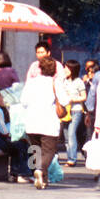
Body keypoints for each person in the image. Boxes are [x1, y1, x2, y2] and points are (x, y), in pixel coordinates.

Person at [21, 56, 69, 189]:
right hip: (48, 122)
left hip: (31, 121)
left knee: (35, 149)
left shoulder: (31, 82)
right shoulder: (55, 82)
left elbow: (23, 101)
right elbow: (65, 101)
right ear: (54, 70)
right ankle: (40, 170)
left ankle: (42, 179)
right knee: (49, 151)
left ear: (40, 68)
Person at [62, 59, 87, 165]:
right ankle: (69, 157)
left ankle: (72, 159)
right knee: (66, 136)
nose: (64, 70)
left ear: (72, 69)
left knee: (72, 133)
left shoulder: (79, 82)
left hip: (76, 111)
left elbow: (84, 97)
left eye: (66, 68)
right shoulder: (64, 81)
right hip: (65, 111)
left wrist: (73, 99)